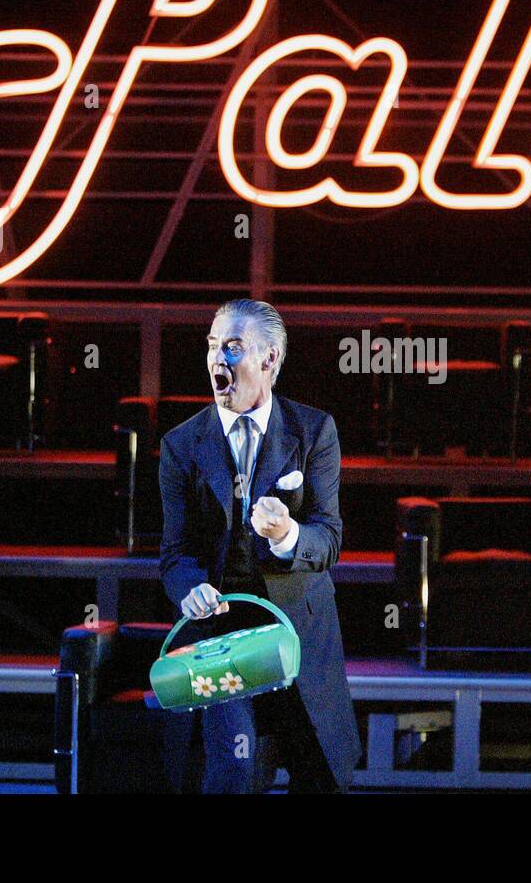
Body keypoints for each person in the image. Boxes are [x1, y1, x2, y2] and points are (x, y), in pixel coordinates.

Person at [158, 298, 361, 792]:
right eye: (211, 347)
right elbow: (175, 554)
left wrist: (287, 534)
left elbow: (329, 539)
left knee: (321, 776)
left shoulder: (314, 431)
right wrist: (190, 589)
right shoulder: (181, 445)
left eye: (231, 347)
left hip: (300, 639)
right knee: (234, 772)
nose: (216, 360)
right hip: (225, 641)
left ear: (269, 359)